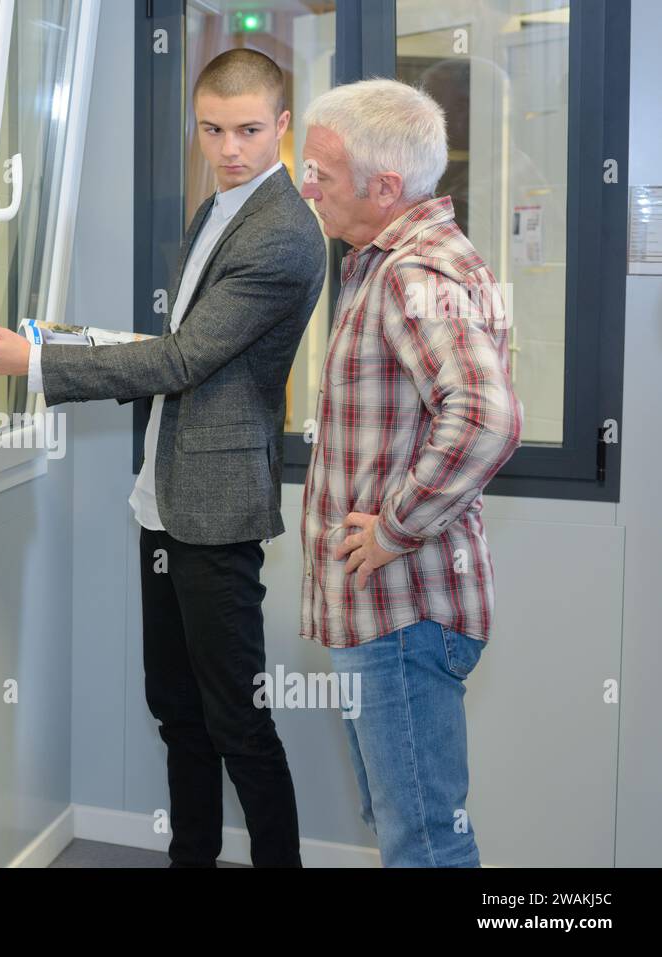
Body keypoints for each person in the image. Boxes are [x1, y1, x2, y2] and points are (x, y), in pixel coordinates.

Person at [0, 49, 326, 868]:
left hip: (217, 504)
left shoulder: (283, 235)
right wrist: (57, 342)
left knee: (237, 719)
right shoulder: (216, 213)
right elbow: (174, 347)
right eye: (211, 129)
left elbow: (181, 363)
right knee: (176, 708)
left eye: (248, 130)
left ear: (283, 127)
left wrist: (44, 368)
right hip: (165, 493)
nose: (228, 148)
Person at [297, 78, 523, 866]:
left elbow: (487, 420)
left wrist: (394, 528)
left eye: (321, 172)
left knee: (424, 841)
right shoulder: (387, 260)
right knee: (405, 826)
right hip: (389, 613)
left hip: (404, 613)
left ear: (385, 187)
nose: (307, 186)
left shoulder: (411, 272)